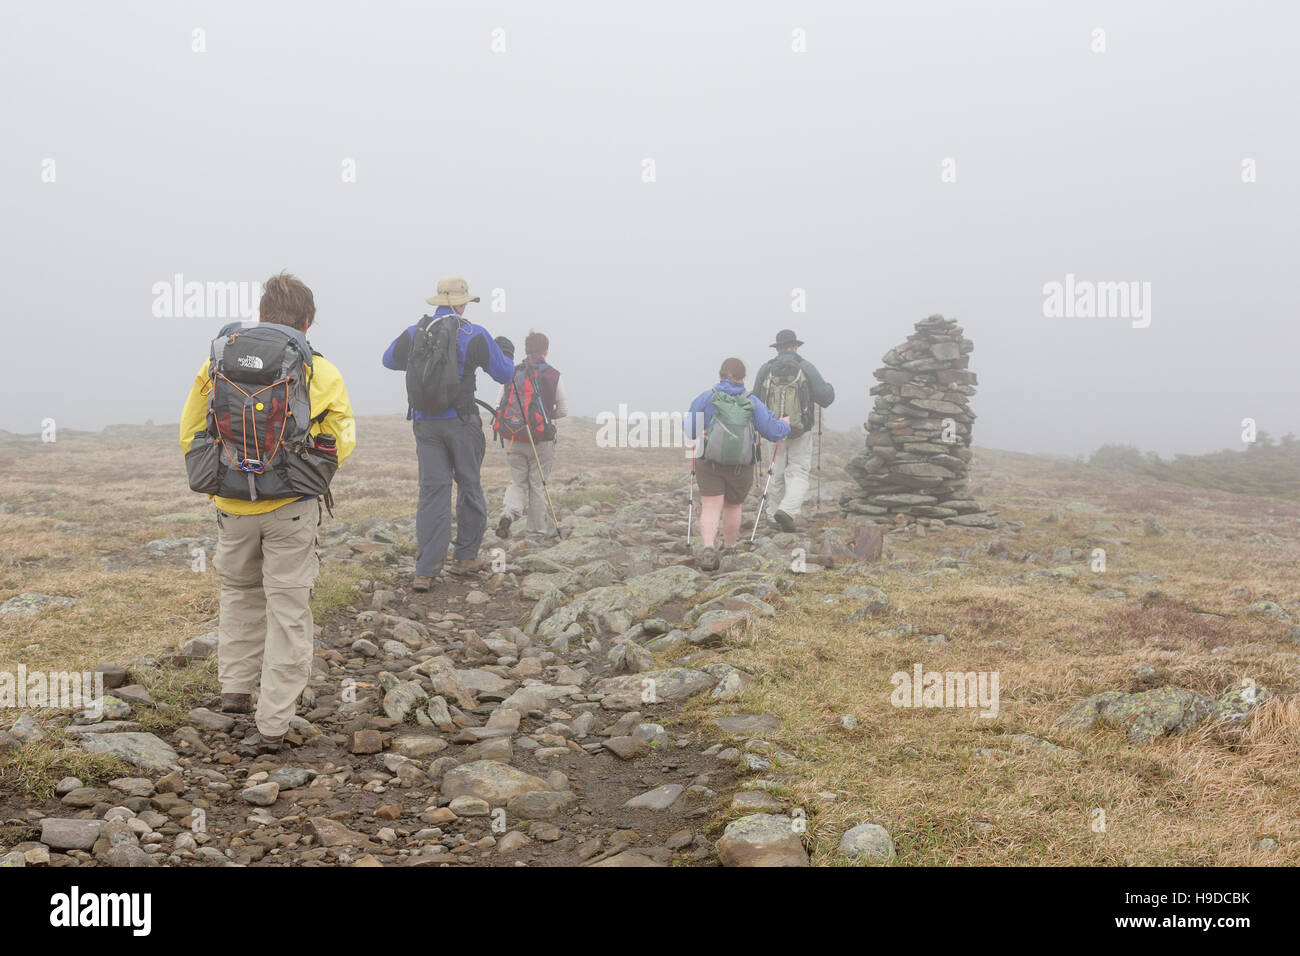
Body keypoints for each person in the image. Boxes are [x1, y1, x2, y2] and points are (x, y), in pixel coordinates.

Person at [179, 272, 356, 754]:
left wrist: (225, 481)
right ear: (306, 321)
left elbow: (192, 428)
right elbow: (342, 439)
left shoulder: (217, 360)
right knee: (287, 608)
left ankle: (234, 689)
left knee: (238, 591)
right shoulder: (319, 369)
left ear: (261, 314)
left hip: (230, 506)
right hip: (291, 508)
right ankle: (273, 724)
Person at [382, 277, 513, 592]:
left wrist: (424, 362)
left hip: (425, 424)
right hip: (462, 422)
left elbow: (388, 360)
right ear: (462, 302)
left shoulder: (416, 332)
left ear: (438, 302)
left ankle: (425, 570)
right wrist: (504, 350)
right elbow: (505, 373)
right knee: (469, 486)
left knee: (433, 493)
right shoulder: (474, 334)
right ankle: (465, 556)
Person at [685, 357, 790, 570]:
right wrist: (784, 425)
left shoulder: (706, 398)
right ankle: (731, 547)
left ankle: (707, 547)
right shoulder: (752, 401)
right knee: (733, 505)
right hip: (741, 465)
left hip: (708, 460)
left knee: (711, 505)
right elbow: (772, 431)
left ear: (720, 374)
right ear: (743, 378)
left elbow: (690, 429)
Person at [752, 329, 835, 532]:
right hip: (800, 429)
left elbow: (754, 399)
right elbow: (825, 398)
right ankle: (787, 511)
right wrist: (829, 388)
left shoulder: (766, 369)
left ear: (778, 348)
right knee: (798, 470)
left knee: (776, 470)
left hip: (774, 429)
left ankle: (772, 515)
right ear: (795, 346)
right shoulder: (805, 367)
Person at [495, 331, 567, 541]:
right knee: (537, 484)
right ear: (546, 350)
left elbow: (500, 404)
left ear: (526, 349)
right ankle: (535, 534)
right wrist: (544, 418)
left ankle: (508, 514)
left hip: (513, 437)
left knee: (517, 482)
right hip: (540, 439)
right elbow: (563, 410)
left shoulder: (513, 372)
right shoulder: (553, 375)